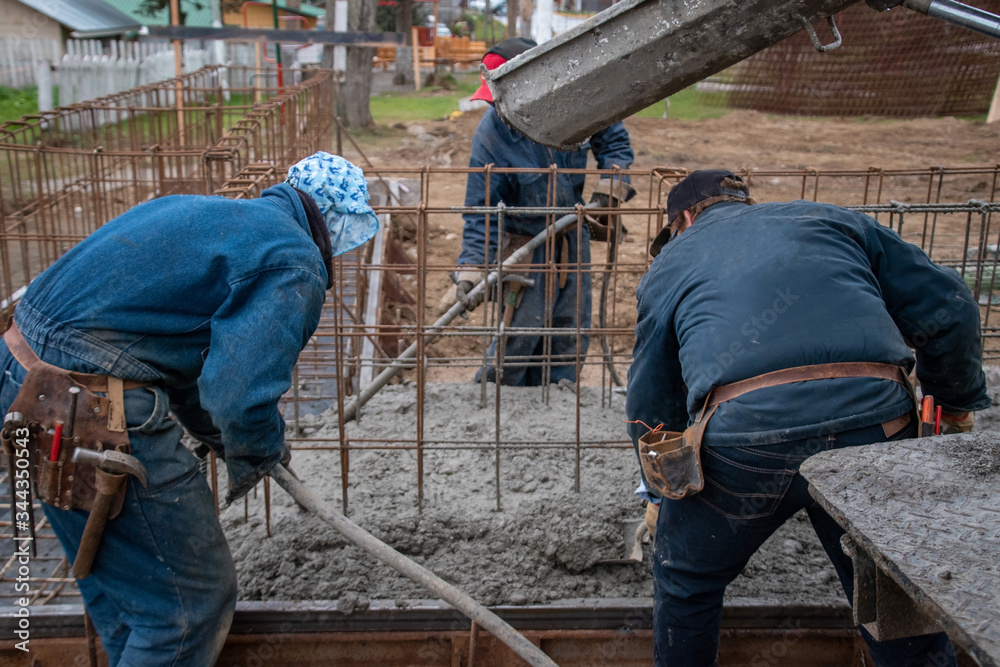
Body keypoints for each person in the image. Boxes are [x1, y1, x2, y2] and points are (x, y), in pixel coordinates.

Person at [0, 152, 378, 665]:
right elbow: (236, 394)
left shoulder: (205, 214)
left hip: (21, 377)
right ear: (336, 222)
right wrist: (257, 451)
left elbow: (179, 364)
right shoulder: (293, 259)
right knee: (188, 608)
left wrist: (231, 445)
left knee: (125, 590)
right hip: (88, 401)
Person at [626, 169, 987, 666]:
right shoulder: (830, 219)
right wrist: (956, 405)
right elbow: (951, 308)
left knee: (687, 579)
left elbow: (651, 400)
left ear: (683, 219)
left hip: (746, 440)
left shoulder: (669, 265)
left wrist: (662, 488)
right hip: (874, 423)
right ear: (745, 203)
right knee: (887, 586)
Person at [453, 37, 636, 386]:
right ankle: (499, 399)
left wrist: (610, 191)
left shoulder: (579, 104)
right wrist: (472, 268)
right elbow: (481, 210)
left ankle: (559, 397)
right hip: (523, 243)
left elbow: (614, 143)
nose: (499, 107)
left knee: (570, 332)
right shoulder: (491, 135)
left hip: (572, 235)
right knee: (519, 334)